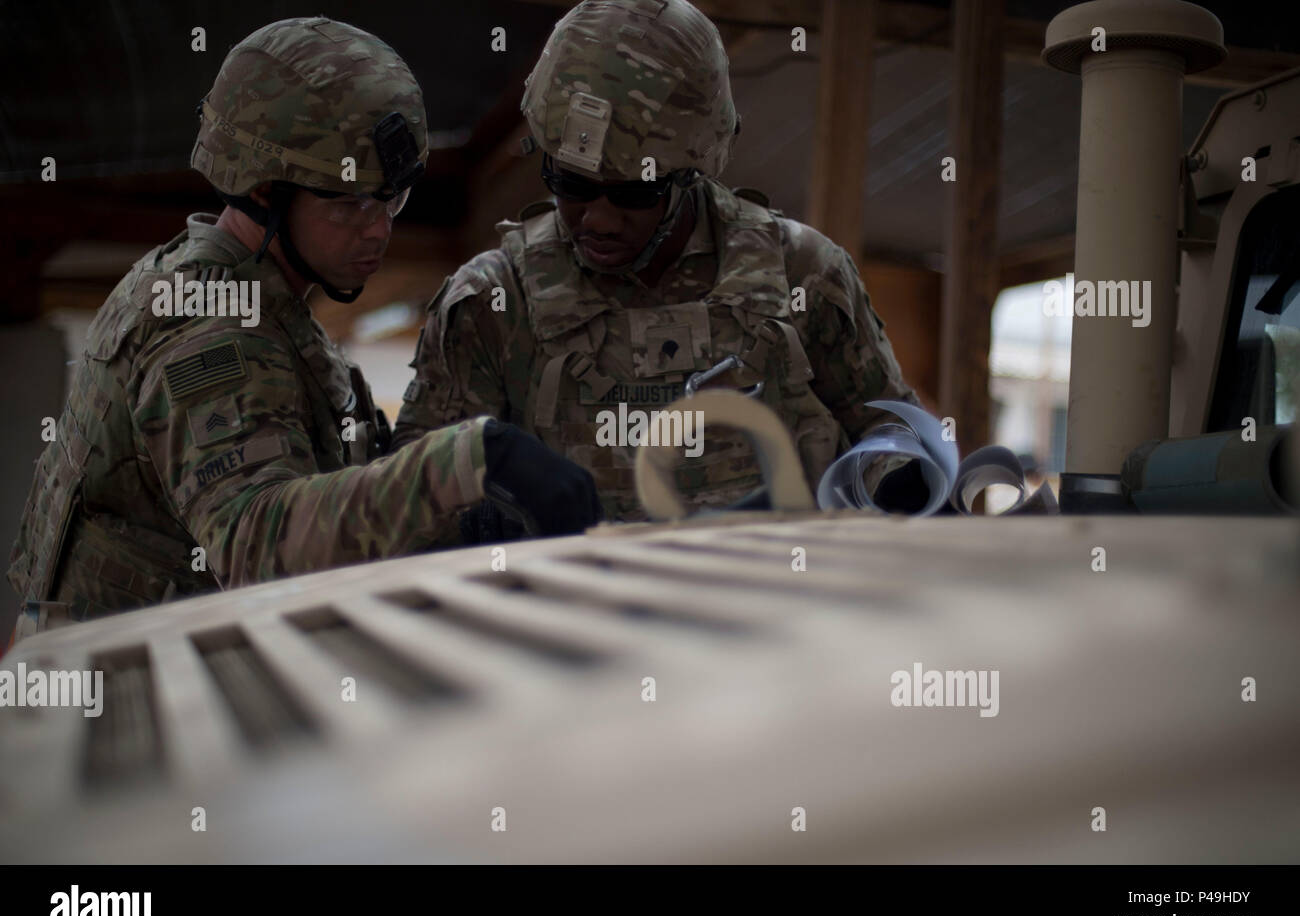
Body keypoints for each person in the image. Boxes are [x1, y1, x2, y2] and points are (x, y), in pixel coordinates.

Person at [7, 17, 599, 642]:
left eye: (390, 200)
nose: (378, 230)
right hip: (123, 702)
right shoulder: (207, 319)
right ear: (262, 189)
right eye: (349, 203)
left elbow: (326, 499)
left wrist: (460, 519)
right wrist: (464, 463)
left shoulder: (265, 306)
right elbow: (256, 542)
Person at [393, 0, 919, 530]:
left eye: (632, 193)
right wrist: (478, 514)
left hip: (777, 596)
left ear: (694, 171)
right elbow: (411, 490)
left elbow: (888, 424)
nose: (596, 219)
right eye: (571, 184)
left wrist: (902, 480)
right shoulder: (494, 299)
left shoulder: (802, 273)